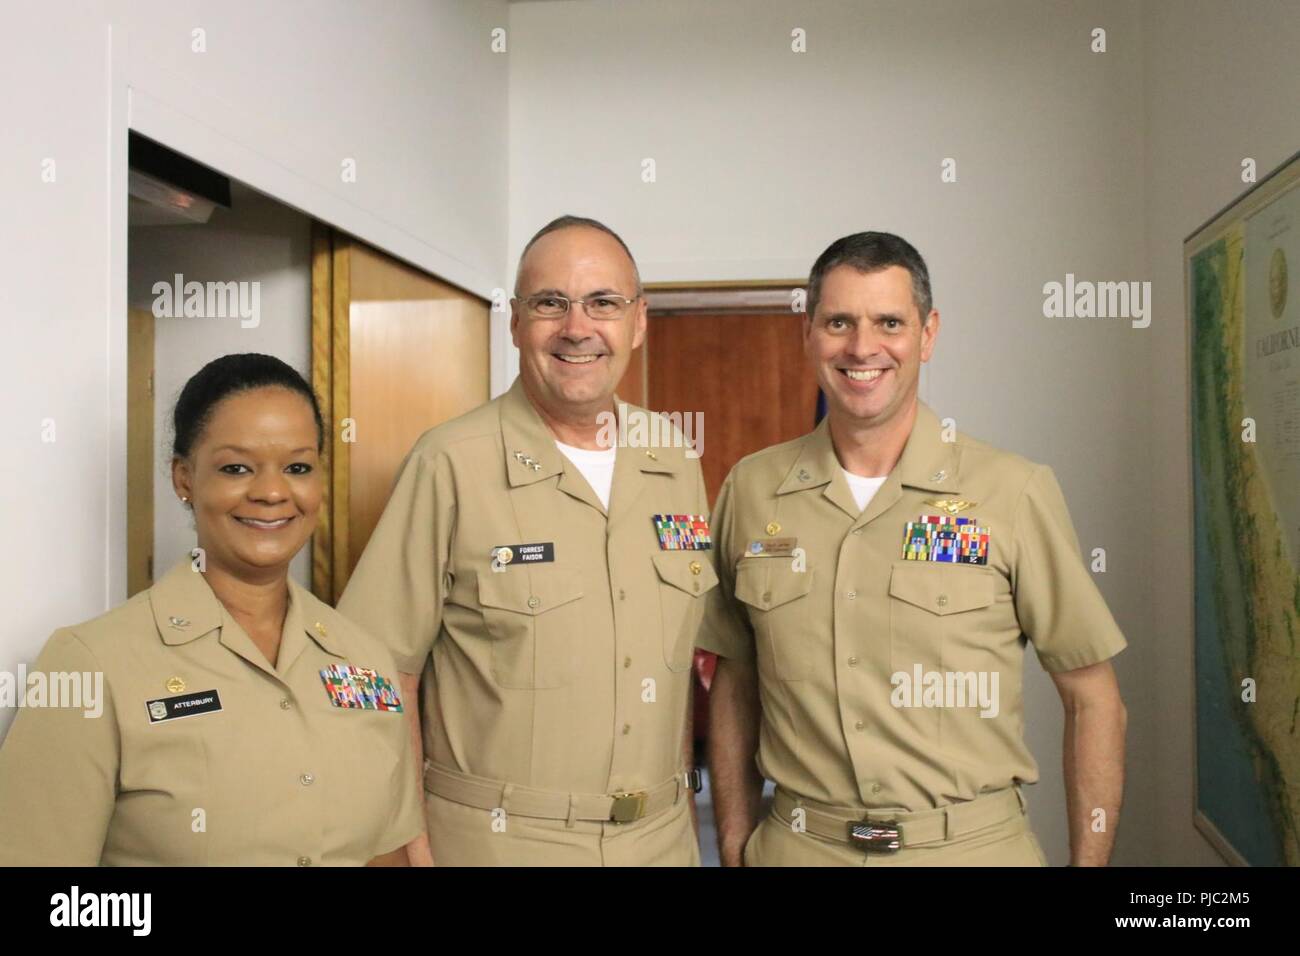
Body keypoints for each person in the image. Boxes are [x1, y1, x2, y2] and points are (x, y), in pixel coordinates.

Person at [703, 232, 1128, 866]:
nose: (862, 346)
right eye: (839, 321)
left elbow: (1093, 697)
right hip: (797, 849)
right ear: (810, 334)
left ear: (927, 334)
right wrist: (735, 846)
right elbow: (734, 680)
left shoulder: (1011, 492)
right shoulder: (751, 489)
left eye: (889, 322)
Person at [339, 215, 713, 866]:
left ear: (638, 322)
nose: (577, 328)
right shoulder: (451, 462)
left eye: (603, 303)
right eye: (550, 304)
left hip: (662, 842)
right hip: (498, 846)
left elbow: (677, 666)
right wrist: (405, 847)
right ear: (515, 322)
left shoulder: (673, 458)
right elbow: (367, 671)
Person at [0, 353, 422, 865]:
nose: (271, 492)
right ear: (184, 478)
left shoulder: (364, 659)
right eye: (236, 468)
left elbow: (386, 855)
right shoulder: (92, 663)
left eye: (297, 467)